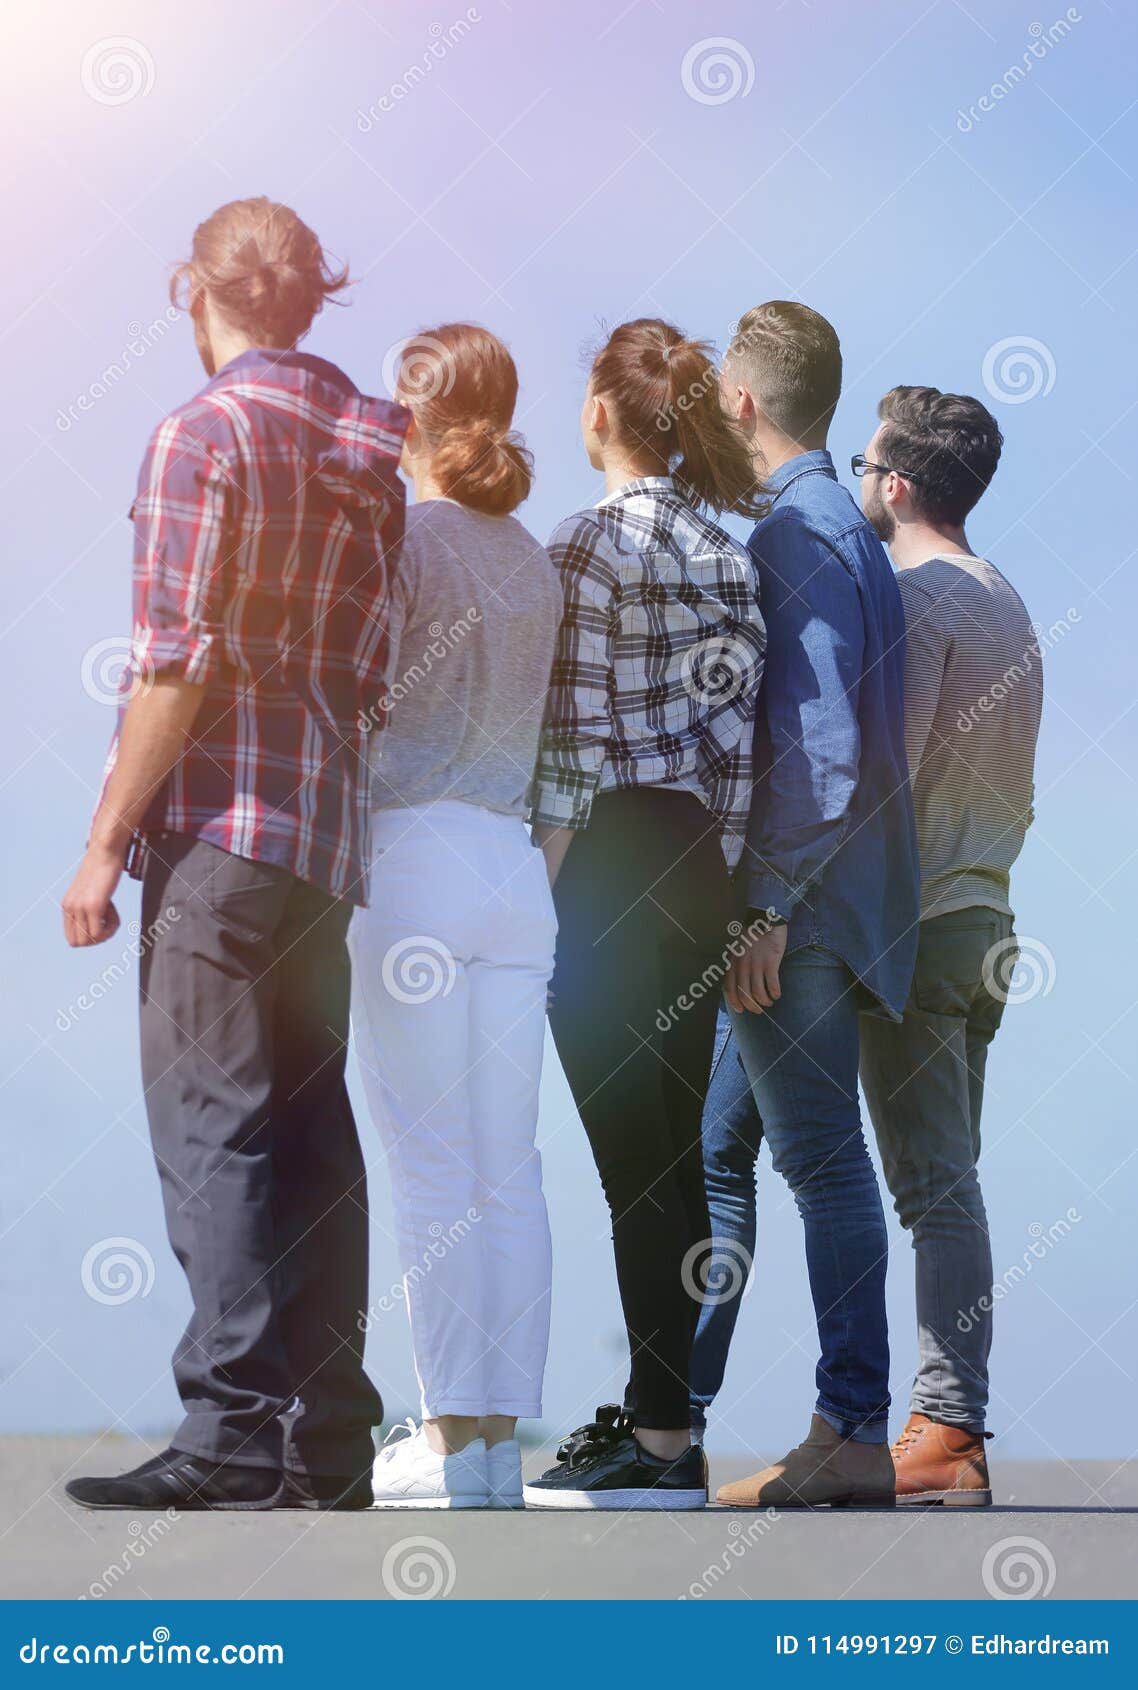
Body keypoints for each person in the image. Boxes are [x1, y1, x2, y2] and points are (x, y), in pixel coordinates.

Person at [61, 198, 407, 1512]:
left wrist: (102, 846)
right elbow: (377, 664)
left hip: (218, 830)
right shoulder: (376, 444)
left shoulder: (200, 433)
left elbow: (177, 659)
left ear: (189, 289)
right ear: (314, 296)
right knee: (314, 1129)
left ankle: (230, 1435)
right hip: (324, 836)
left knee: (214, 1125)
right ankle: (325, 1444)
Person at [523, 318, 767, 1510]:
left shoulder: (579, 543)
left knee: (634, 1171)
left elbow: (565, 746)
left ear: (602, 414)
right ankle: (668, 1427)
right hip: (698, 869)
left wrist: (539, 899)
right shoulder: (733, 554)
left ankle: (662, 1443)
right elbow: (740, 760)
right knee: (670, 1161)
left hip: (609, 859)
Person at [700, 302, 920, 1512]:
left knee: (824, 1165)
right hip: (842, 901)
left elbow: (823, 742)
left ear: (742, 400)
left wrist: (767, 903)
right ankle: (669, 1421)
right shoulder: (851, 529)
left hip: (806, 914)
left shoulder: (797, 531)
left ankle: (850, 1429)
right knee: (720, 1151)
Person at [349, 324, 563, 1510]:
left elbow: (362, 695)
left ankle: (442, 1438)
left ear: (414, 417)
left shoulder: (404, 535)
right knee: (507, 1171)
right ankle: (491, 1449)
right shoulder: (532, 558)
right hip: (511, 868)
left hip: (415, 852)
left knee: (431, 1168)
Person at [856, 386, 1041, 1507]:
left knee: (933, 1186)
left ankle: (948, 1430)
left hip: (921, 928)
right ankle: (945, 1421)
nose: (859, 480)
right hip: (986, 920)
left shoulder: (919, 594)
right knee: (947, 1179)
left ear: (899, 483)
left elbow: (890, 772)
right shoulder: (1002, 594)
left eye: (865, 462)